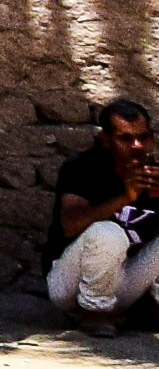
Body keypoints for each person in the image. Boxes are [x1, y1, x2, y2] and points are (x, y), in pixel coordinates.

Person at [47, 99, 159, 323]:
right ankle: (94, 312)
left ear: (152, 139)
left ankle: (135, 311)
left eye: (143, 137)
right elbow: (70, 225)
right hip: (71, 285)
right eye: (126, 139)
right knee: (107, 232)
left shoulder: (155, 174)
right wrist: (126, 198)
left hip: (128, 281)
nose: (137, 145)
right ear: (106, 141)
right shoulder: (83, 167)